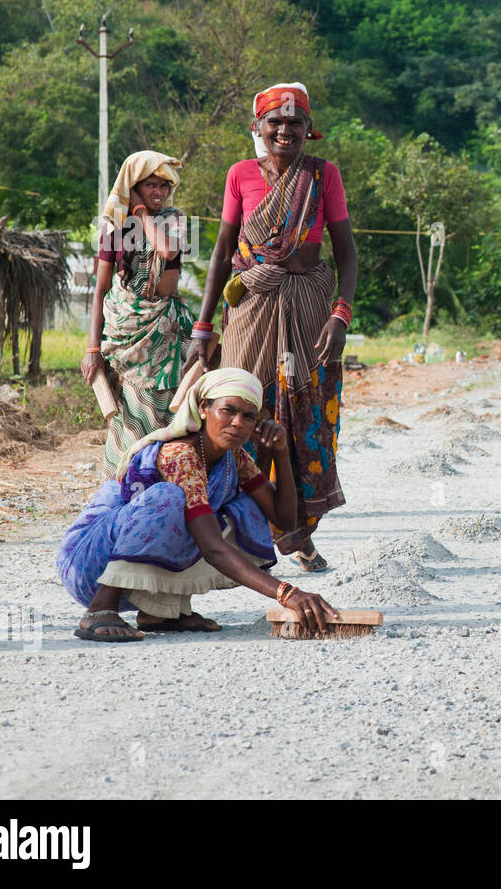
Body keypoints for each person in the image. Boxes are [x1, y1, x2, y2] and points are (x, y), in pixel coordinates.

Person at [184, 82, 357, 572]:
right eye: (274, 122)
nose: (285, 130)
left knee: (306, 421)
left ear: (309, 129)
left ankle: (298, 532)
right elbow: (221, 253)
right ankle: (244, 533)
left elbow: (346, 252)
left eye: (295, 122)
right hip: (251, 307)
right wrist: (202, 326)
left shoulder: (324, 177)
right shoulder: (239, 174)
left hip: (309, 307)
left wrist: (341, 314)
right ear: (257, 129)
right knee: (240, 412)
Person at [57, 368, 337, 642]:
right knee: (167, 499)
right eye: (228, 411)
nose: (238, 423)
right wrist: (287, 593)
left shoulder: (233, 457)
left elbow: (283, 521)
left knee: (244, 510)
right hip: (89, 562)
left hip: (123, 559)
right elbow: (212, 548)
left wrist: (280, 453)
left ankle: (161, 612)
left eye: (248, 416)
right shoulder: (180, 454)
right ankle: (100, 608)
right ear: (203, 407)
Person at [82, 151, 194, 475]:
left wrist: (142, 211)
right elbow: (100, 289)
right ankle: (124, 487)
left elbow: (167, 250)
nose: (159, 192)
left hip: (165, 335)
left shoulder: (174, 220)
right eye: (150, 186)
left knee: (171, 416)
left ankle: (169, 488)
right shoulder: (113, 229)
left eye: (163, 185)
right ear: (133, 187)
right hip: (125, 333)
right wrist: (92, 349)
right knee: (128, 417)